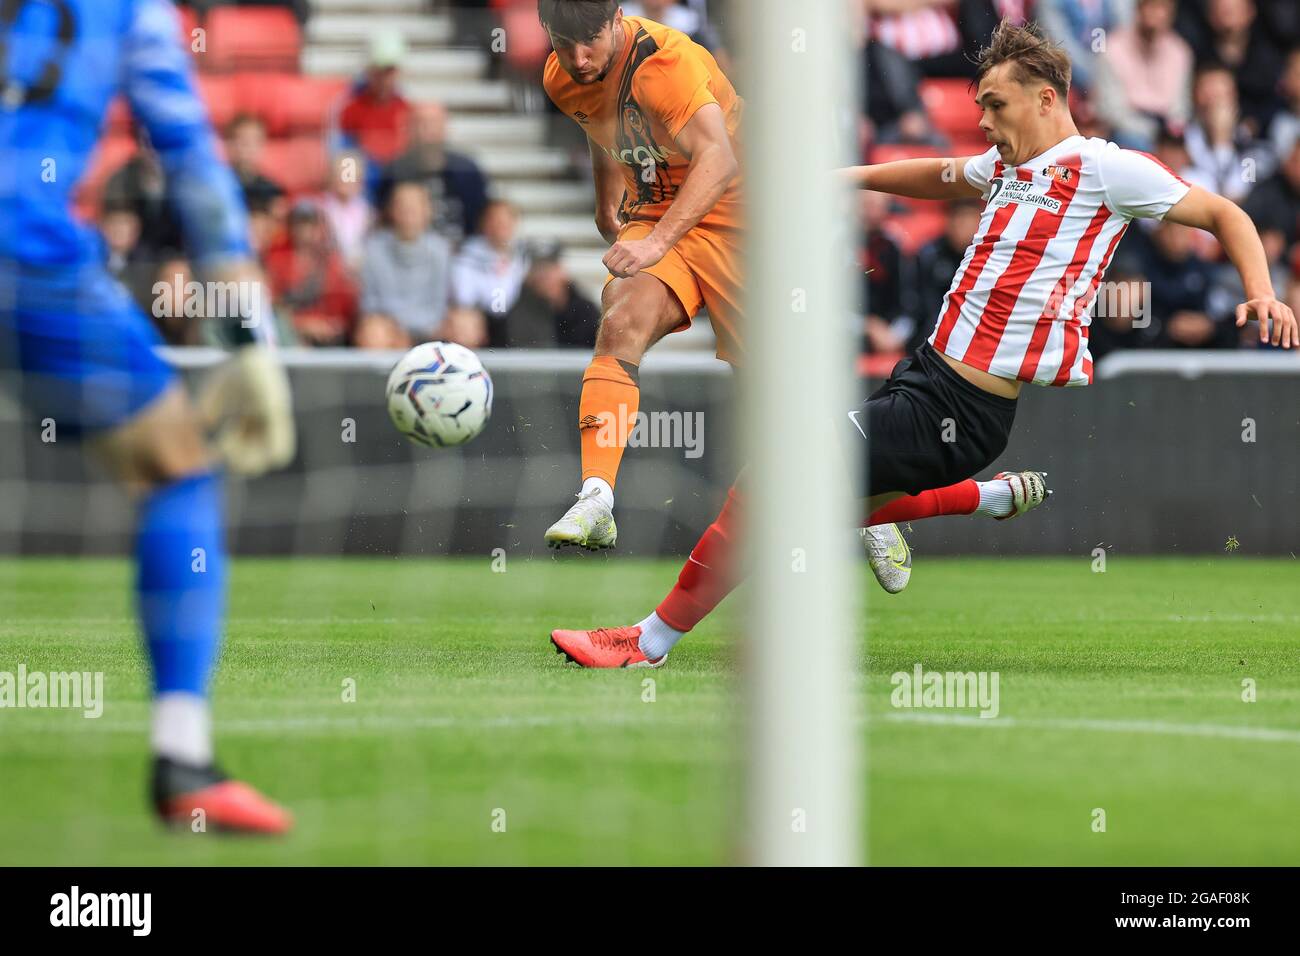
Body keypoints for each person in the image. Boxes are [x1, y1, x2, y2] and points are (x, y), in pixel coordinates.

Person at [549, 18, 1298, 669]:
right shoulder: (1008, 168)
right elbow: (937, 174)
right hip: (926, 379)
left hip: (967, 406)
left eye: (996, 106)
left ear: (1047, 99)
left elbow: (1225, 214)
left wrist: (1260, 291)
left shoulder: (1106, 169)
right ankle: (984, 499)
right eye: (979, 108)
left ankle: (647, 641)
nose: (986, 123)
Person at [540, 3, 1049, 668]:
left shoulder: (664, 62)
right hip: (665, 218)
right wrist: (608, 201)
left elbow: (719, 160)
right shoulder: (562, 73)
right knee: (622, 320)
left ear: (615, 17)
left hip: (743, 217)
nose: (578, 57)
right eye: (564, 44)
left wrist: (658, 239)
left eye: (589, 40)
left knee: (797, 458)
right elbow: (600, 123)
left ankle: (953, 501)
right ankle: (597, 498)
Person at [0, 0, 296, 829]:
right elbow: (193, 162)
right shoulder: (131, 11)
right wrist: (246, 339)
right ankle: (183, 759)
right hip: (22, 249)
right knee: (177, 465)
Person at [355, 180, 453, 349]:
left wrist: (410, 329)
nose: (408, 213)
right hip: (387, 329)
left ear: (427, 211)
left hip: (429, 328)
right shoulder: (373, 249)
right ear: (392, 211)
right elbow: (369, 304)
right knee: (373, 332)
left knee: (464, 327)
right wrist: (397, 329)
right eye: (402, 207)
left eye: (414, 207)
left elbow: (439, 306)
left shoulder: (440, 250)